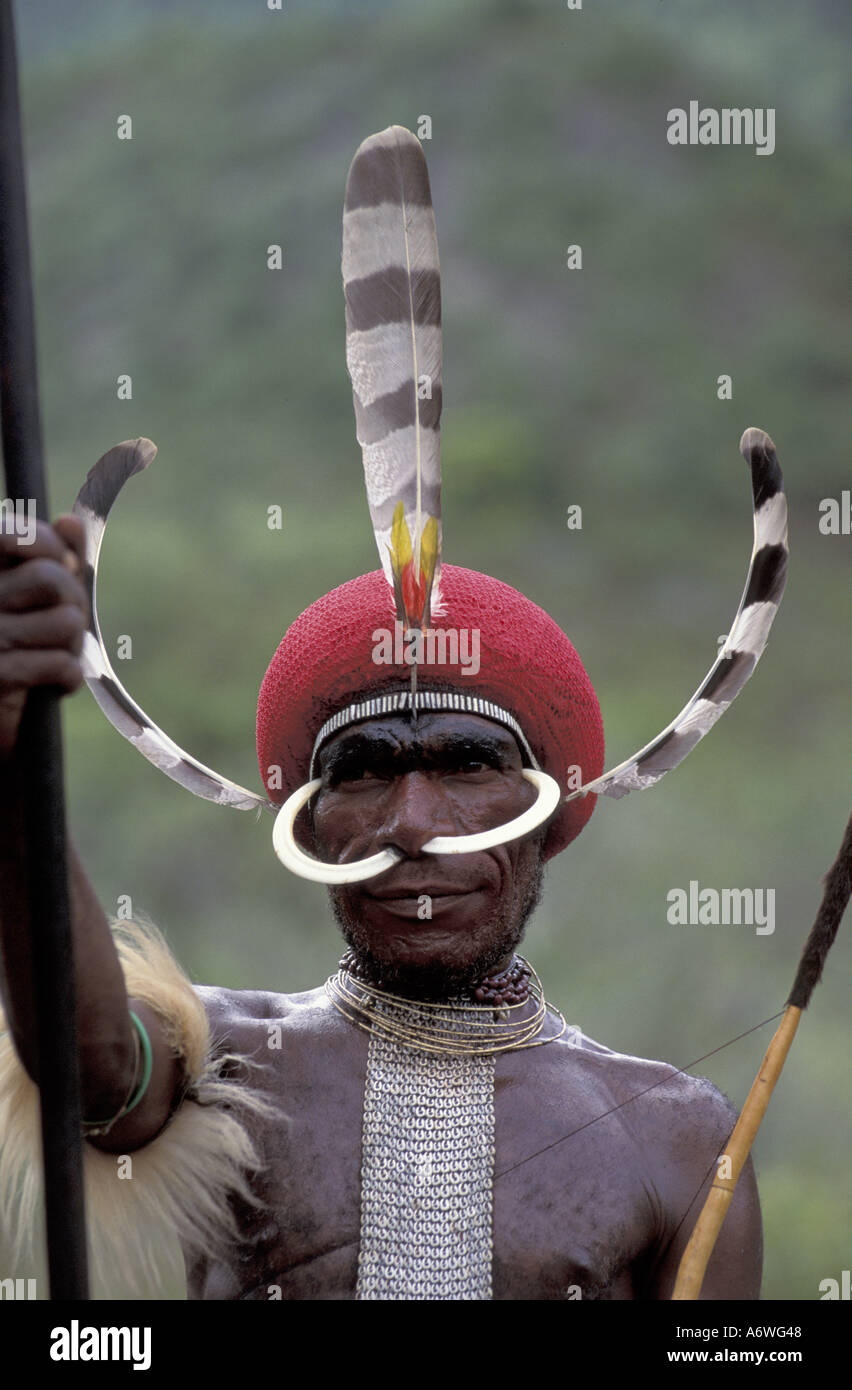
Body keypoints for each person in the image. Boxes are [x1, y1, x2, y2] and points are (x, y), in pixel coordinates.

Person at [1, 127, 779, 1301]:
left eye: (467, 763)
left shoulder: (676, 1139)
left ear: (543, 811)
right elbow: (89, 1063)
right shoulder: (222, 1068)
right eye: (362, 770)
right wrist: (13, 751)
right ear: (309, 823)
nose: (412, 820)